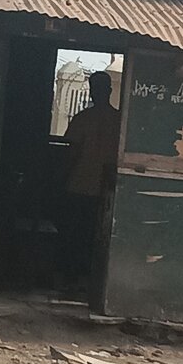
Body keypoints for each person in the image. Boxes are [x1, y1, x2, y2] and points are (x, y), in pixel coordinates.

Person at [59, 71, 121, 285]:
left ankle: (73, 278)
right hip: (106, 190)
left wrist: (62, 178)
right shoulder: (119, 120)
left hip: (80, 185)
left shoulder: (83, 119)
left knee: (75, 236)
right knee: (98, 237)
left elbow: (71, 153)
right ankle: (91, 281)